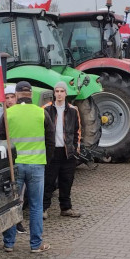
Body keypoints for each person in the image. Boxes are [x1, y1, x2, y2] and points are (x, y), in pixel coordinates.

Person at [0, 84, 53, 253]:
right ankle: (36, 244)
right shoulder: (42, 113)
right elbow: (50, 140)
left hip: (15, 167)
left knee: (11, 205)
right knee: (36, 206)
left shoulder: (8, 113)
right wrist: (46, 161)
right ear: (31, 94)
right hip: (37, 165)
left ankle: (9, 243)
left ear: (17, 95)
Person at [43, 82, 82, 218]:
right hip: (52, 152)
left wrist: (76, 149)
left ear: (66, 93)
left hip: (67, 152)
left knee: (67, 181)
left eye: (62, 91)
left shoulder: (73, 110)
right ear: (54, 93)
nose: (59, 94)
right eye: (57, 91)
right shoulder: (46, 109)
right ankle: (44, 208)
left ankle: (66, 208)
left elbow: (77, 131)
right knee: (48, 181)